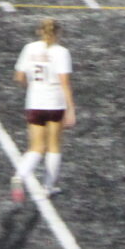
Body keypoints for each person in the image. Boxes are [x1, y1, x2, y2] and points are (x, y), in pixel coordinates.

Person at [11, 18, 76, 201]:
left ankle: (19, 176)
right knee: (54, 146)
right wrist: (71, 108)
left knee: (36, 147)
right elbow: (64, 83)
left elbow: (19, 77)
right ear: (58, 33)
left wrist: (30, 87)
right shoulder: (61, 52)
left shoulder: (29, 48)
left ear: (39, 31)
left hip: (34, 102)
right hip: (55, 103)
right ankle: (48, 187)